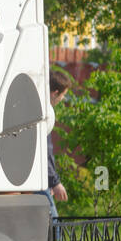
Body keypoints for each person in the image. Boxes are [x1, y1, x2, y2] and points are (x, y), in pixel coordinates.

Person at [47, 70, 70, 214]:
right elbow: (45, 152)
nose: (62, 99)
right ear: (55, 93)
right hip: (39, 185)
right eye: (62, 95)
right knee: (55, 225)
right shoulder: (44, 113)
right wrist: (55, 182)